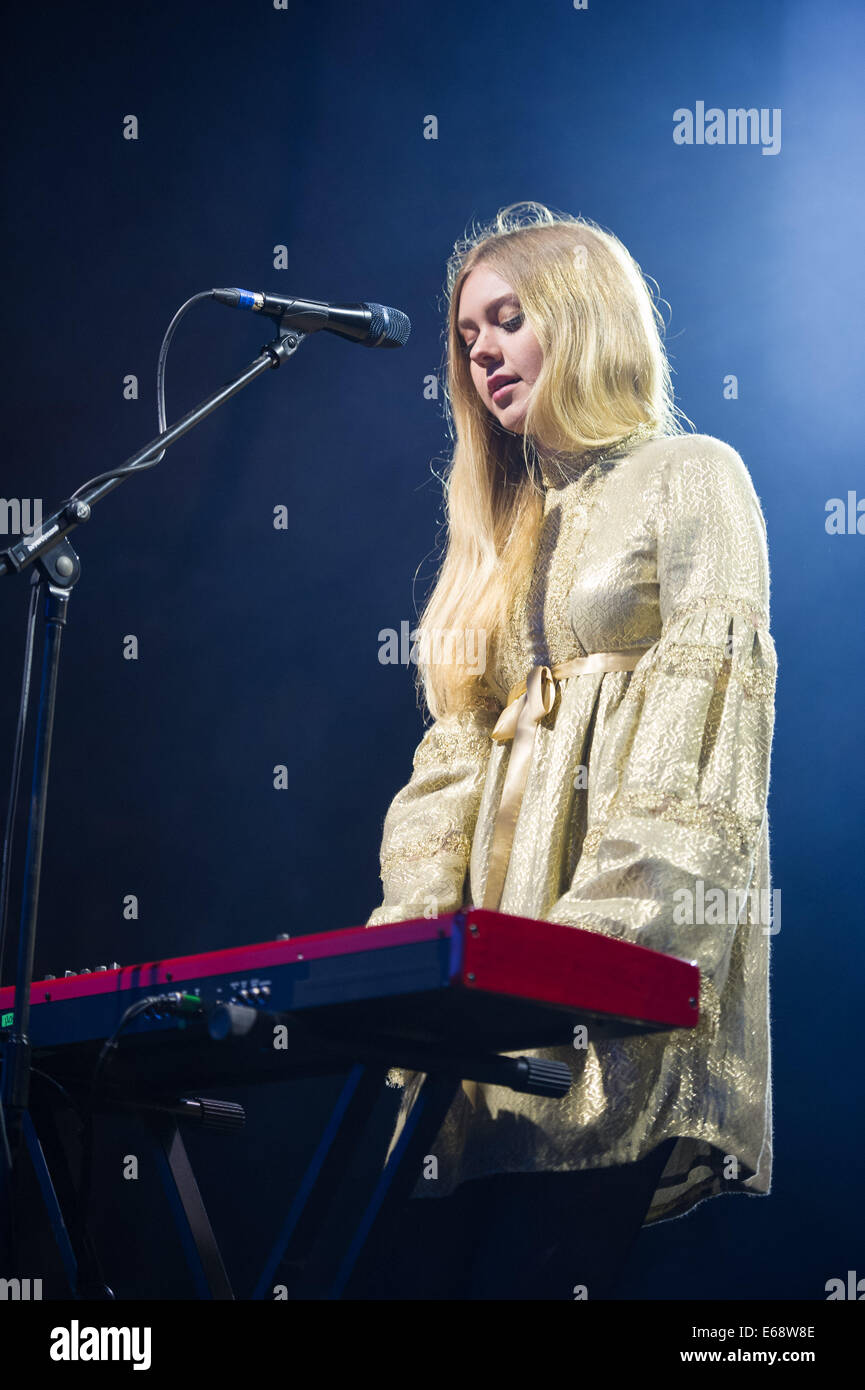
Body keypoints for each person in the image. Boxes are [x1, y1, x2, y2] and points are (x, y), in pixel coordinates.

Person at [356, 201, 777, 1300]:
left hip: (604, 1004)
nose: (481, 350)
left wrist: (573, 958)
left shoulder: (695, 474)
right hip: (480, 1023)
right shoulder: (494, 530)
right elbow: (450, 763)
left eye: (506, 319)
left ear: (581, 316)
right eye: (465, 338)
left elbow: (702, 751)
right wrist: (405, 949)